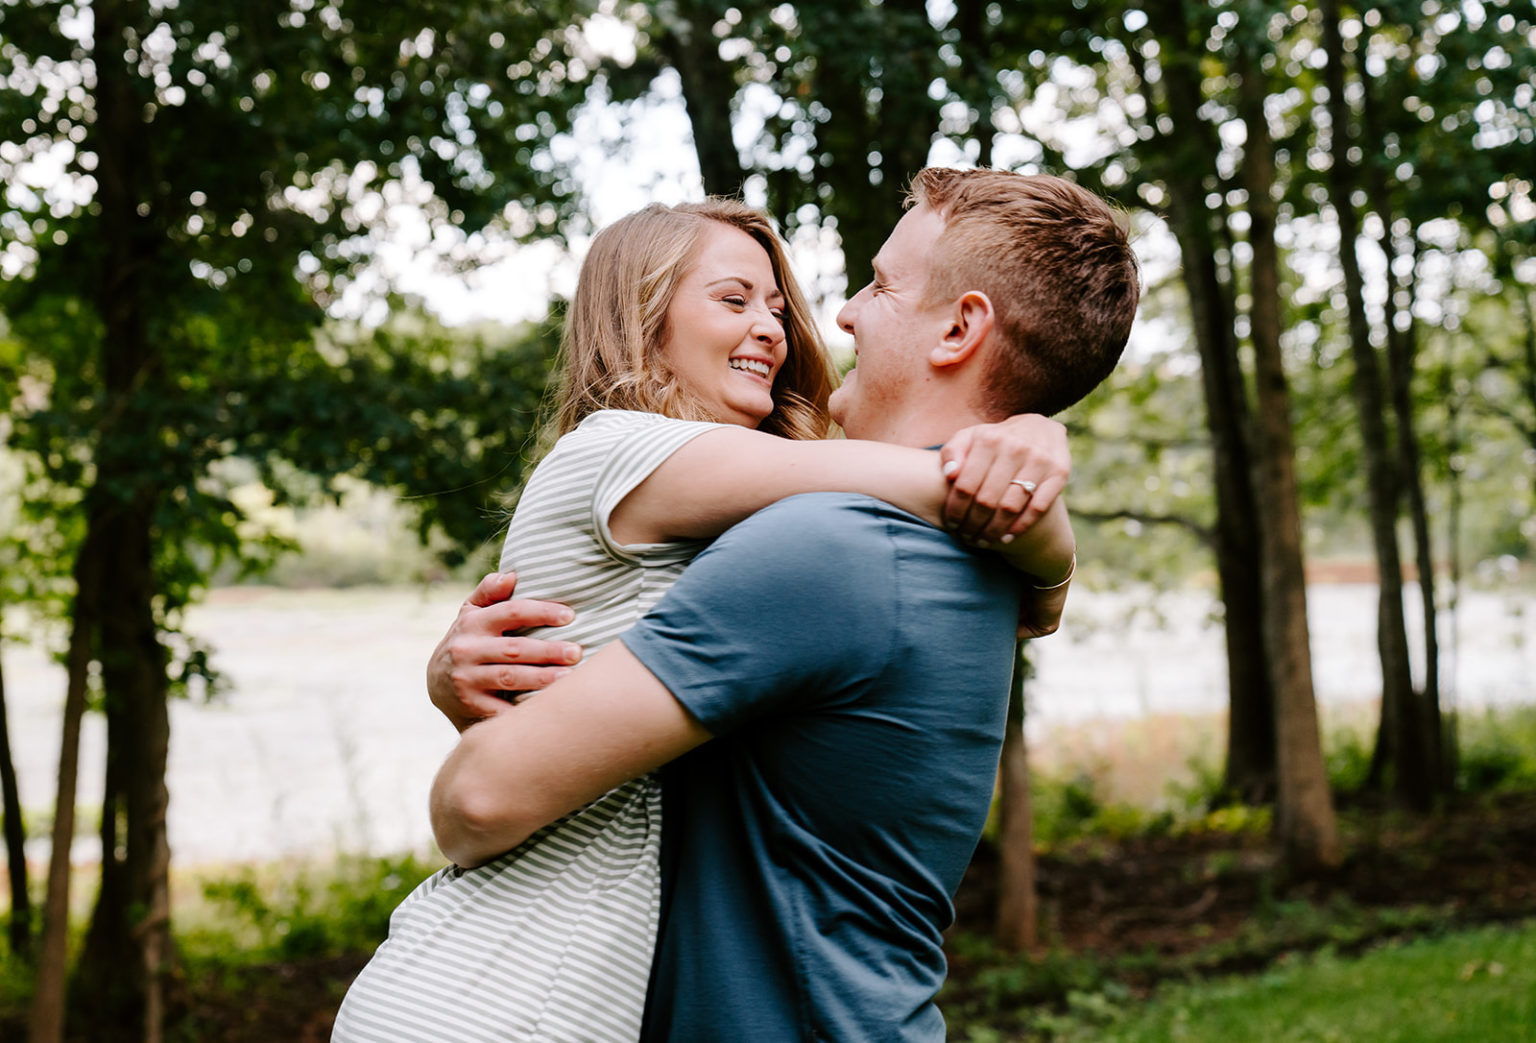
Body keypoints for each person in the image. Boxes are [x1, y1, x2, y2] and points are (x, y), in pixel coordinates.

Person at [333, 196, 1078, 1043]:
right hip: (498, 992)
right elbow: (915, 484)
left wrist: (1023, 453)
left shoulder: (803, 535)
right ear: (643, 320)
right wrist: (1035, 516)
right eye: (733, 300)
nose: (781, 325)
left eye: (773, 305)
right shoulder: (618, 449)